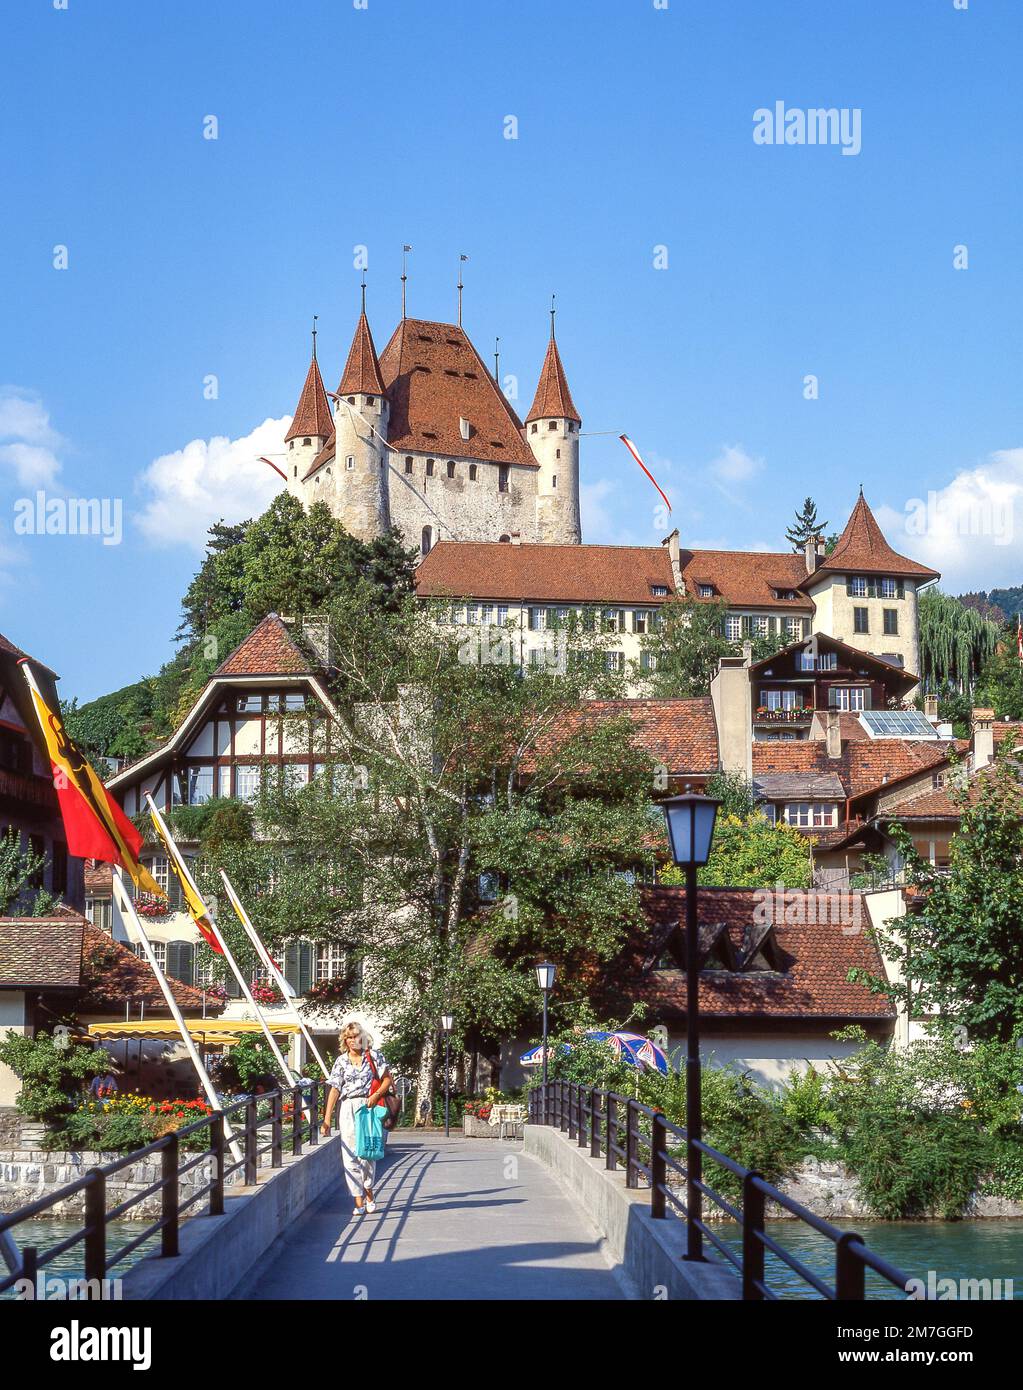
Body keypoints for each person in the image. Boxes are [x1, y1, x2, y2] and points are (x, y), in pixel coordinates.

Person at [320, 1021, 392, 1215]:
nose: (353, 1040)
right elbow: (334, 1089)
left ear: (363, 1036)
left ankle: (369, 1191)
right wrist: (326, 1119)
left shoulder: (374, 1056)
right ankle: (358, 1200)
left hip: (368, 1106)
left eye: (356, 1036)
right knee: (350, 1154)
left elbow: (387, 1080)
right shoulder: (341, 1061)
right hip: (348, 1107)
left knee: (367, 1151)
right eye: (349, 1037)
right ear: (345, 1040)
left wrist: (376, 1096)